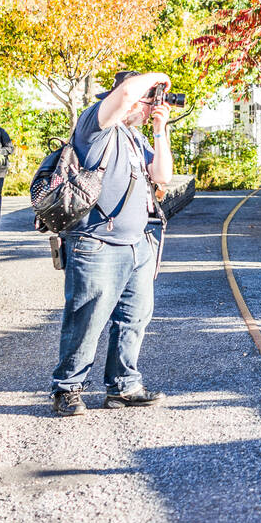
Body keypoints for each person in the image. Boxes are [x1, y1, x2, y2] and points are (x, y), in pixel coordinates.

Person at [50, 70, 174, 416]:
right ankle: (67, 388)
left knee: (134, 319)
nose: (152, 108)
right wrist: (158, 77)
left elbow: (162, 176)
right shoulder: (97, 125)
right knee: (86, 318)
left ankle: (123, 386)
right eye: (150, 101)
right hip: (96, 244)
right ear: (131, 95)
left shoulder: (135, 138)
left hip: (138, 244)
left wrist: (160, 129)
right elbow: (122, 97)